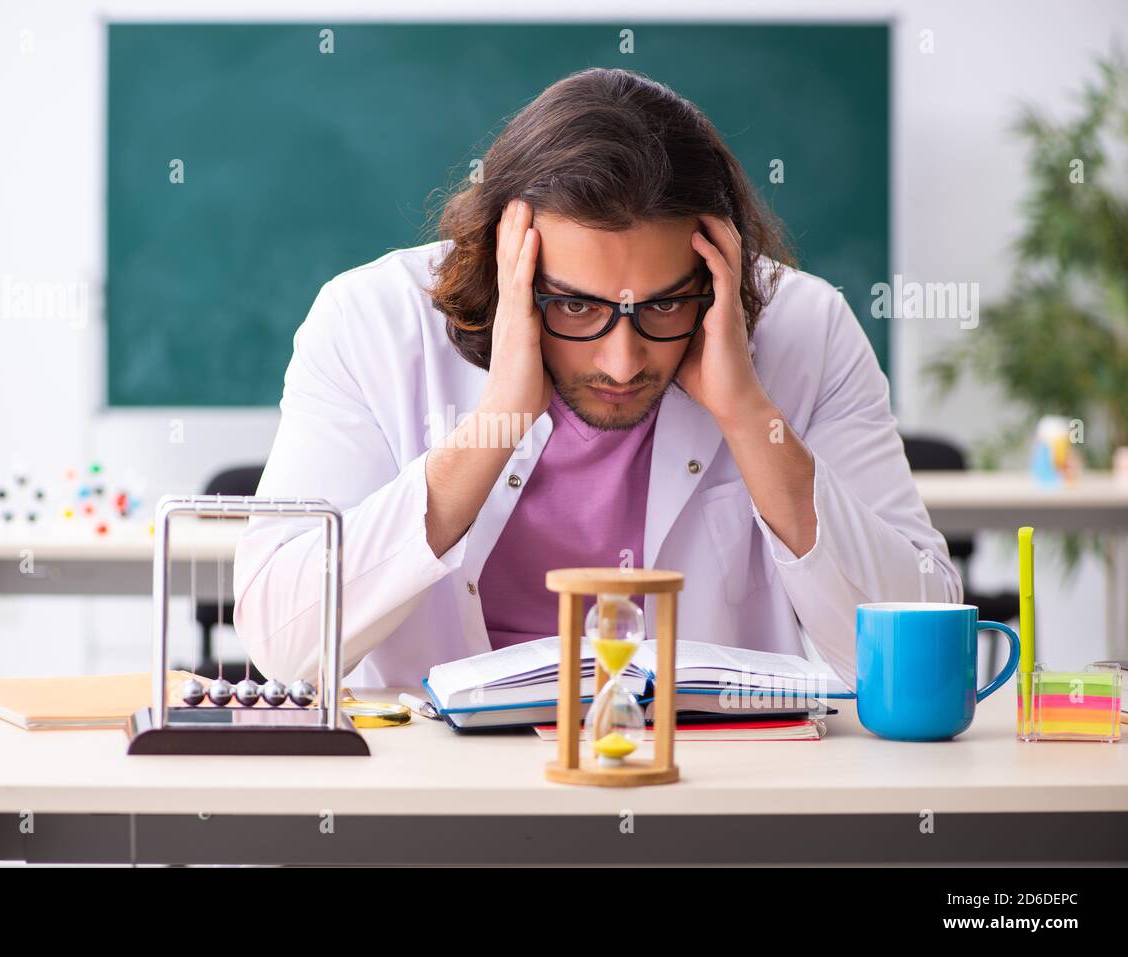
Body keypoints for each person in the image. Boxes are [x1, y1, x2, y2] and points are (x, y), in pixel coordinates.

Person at [233, 67, 960, 692]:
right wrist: (497, 422)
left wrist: (747, 414)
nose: (622, 361)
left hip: (709, 800)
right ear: (503, 268)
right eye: (576, 304)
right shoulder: (370, 322)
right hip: (440, 801)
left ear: (718, 270)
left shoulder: (807, 331)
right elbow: (285, 646)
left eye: (665, 303)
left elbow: (921, 653)